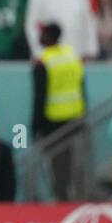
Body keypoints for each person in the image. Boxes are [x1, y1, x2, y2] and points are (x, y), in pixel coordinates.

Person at [32, 23, 87, 200]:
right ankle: (69, 194)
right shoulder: (72, 56)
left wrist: (35, 126)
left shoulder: (44, 61)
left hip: (53, 120)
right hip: (75, 118)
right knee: (69, 163)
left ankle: (62, 199)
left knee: (56, 166)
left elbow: (39, 97)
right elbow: (82, 87)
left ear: (48, 37)